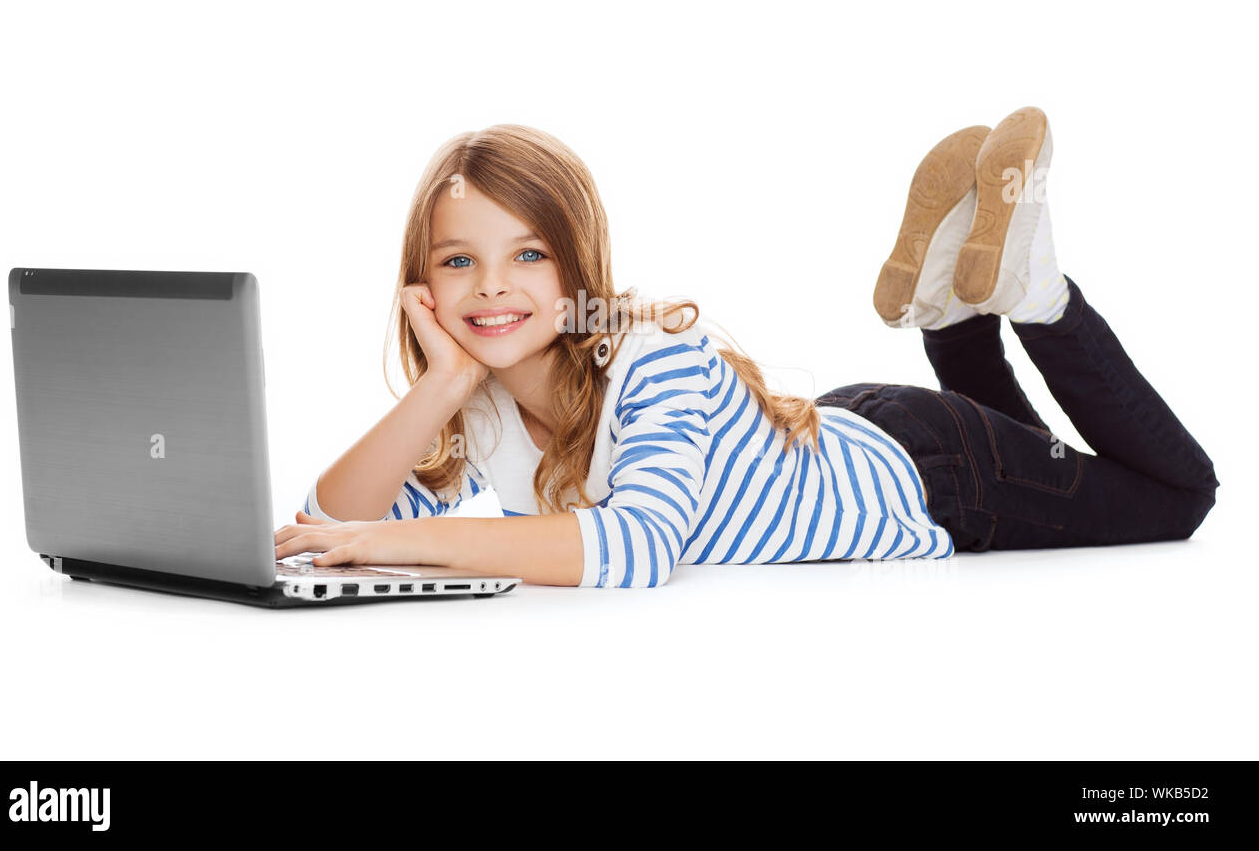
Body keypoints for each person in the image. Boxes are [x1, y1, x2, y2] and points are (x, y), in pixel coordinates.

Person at [273, 110, 1219, 587]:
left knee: (1178, 498)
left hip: (934, 479)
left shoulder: (647, 354)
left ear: (577, 272)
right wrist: (437, 387)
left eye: (527, 254)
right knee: (1040, 463)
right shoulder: (478, 403)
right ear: (422, 282)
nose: (489, 286)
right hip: (853, 434)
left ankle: (1033, 293)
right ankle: (946, 307)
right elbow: (323, 525)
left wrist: (386, 541)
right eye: (457, 261)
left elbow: (639, 548)